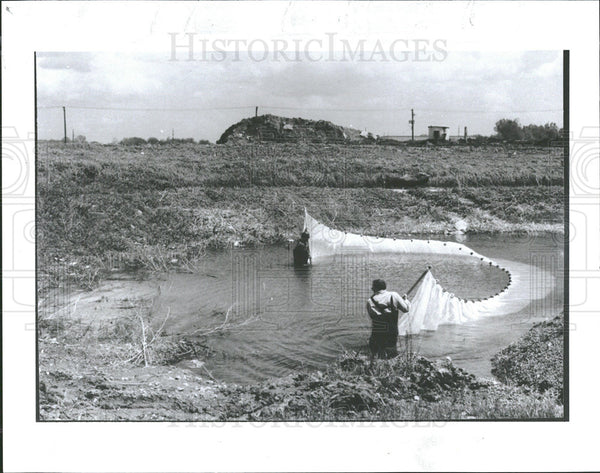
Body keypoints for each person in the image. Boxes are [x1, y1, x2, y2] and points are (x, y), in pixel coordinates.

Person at [366, 279, 410, 359]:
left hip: (377, 331)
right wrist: (405, 300)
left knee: (375, 354)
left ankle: (375, 366)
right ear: (385, 287)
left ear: (374, 289)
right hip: (391, 330)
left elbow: (372, 316)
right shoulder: (394, 295)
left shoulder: (370, 301)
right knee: (391, 353)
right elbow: (406, 309)